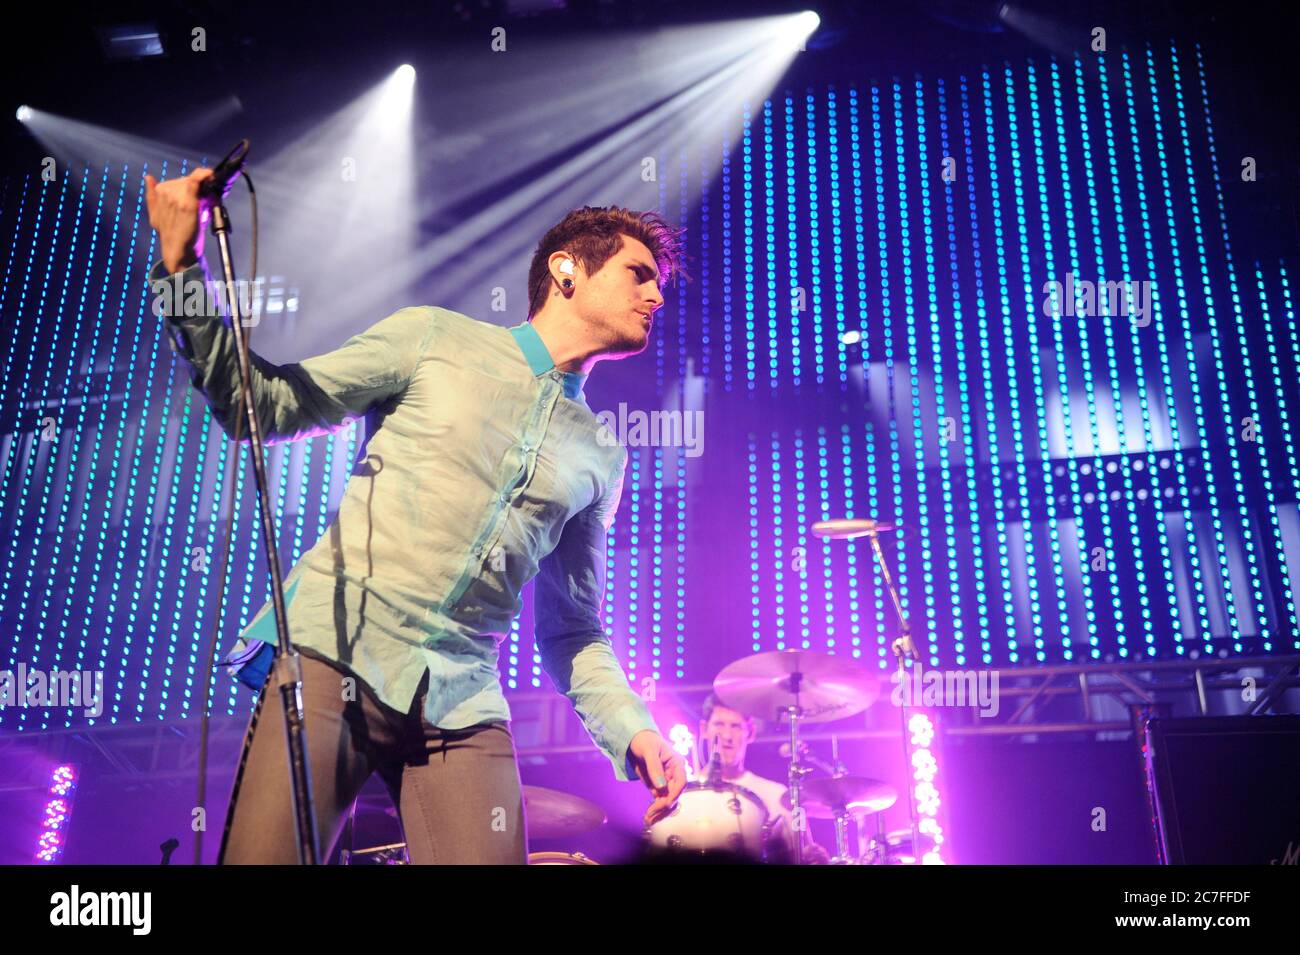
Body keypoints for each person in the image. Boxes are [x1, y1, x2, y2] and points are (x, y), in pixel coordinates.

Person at [144, 167, 689, 863]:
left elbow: (573, 626)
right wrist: (182, 266)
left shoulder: (601, 457)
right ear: (566, 271)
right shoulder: (433, 339)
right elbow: (263, 402)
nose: (655, 294)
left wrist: (632, 730)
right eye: (639, 273)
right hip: (331, 652)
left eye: (659, 284)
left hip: (462, 704)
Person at [696, 694, 831, 864]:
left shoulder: (778, 796)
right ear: (703, 729)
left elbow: (799, 856)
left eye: (736, 726)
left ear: (751, 733)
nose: (727, 736)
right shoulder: (682, 794)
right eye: (719, 725)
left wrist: (813, 858)